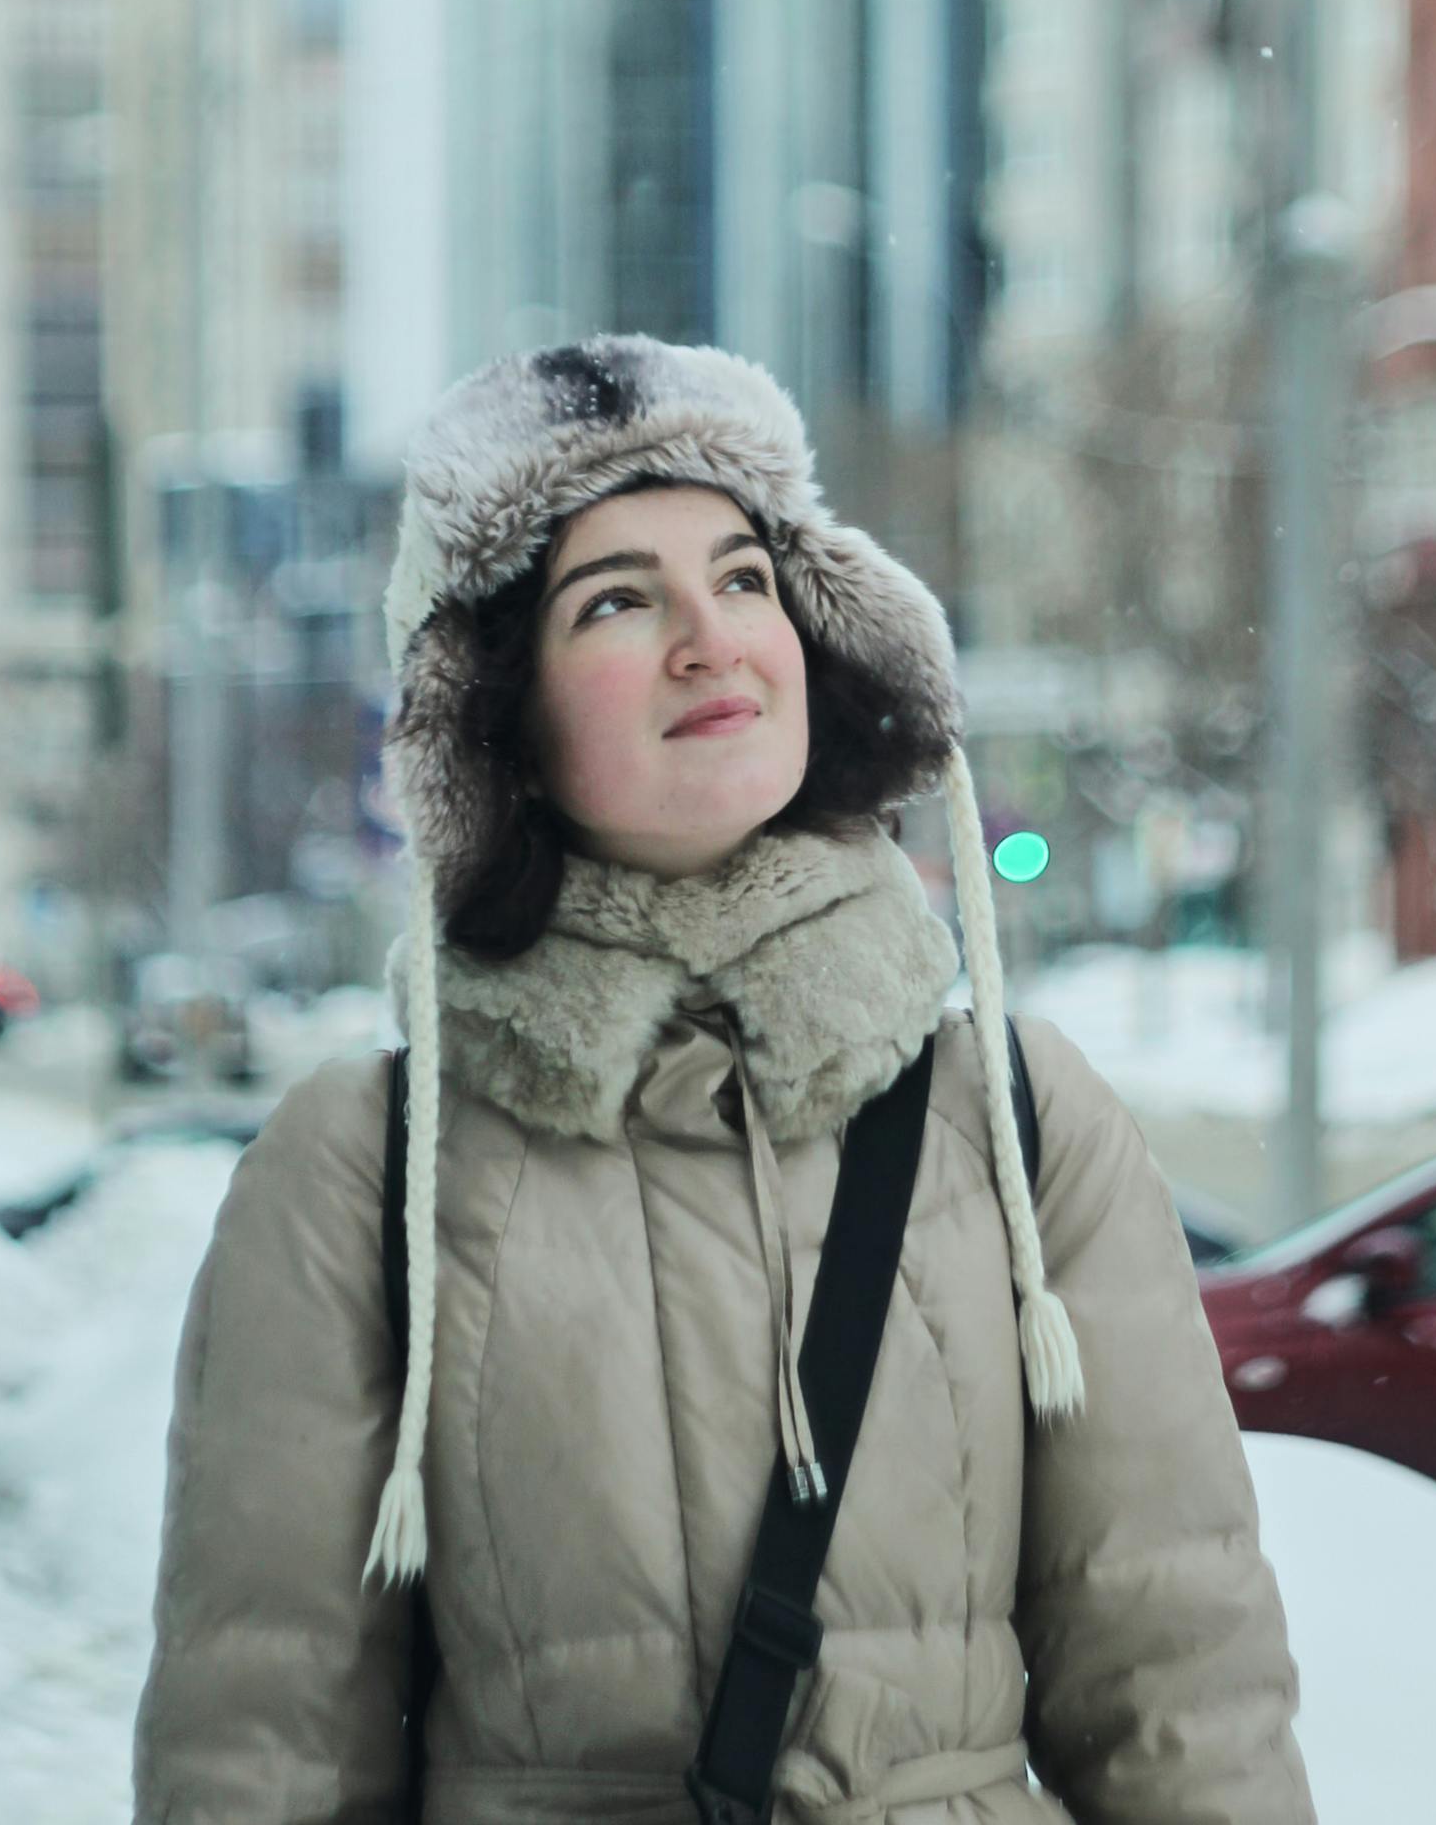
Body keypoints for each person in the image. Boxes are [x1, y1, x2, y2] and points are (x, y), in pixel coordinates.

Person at [134, 335, 1314, 1825]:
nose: (710, 638)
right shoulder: (366, 1164)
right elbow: (265, 1741)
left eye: (745, 579)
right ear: (497, 717)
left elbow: (1181, 1680)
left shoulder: (1012, 1117)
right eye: (617, 600)